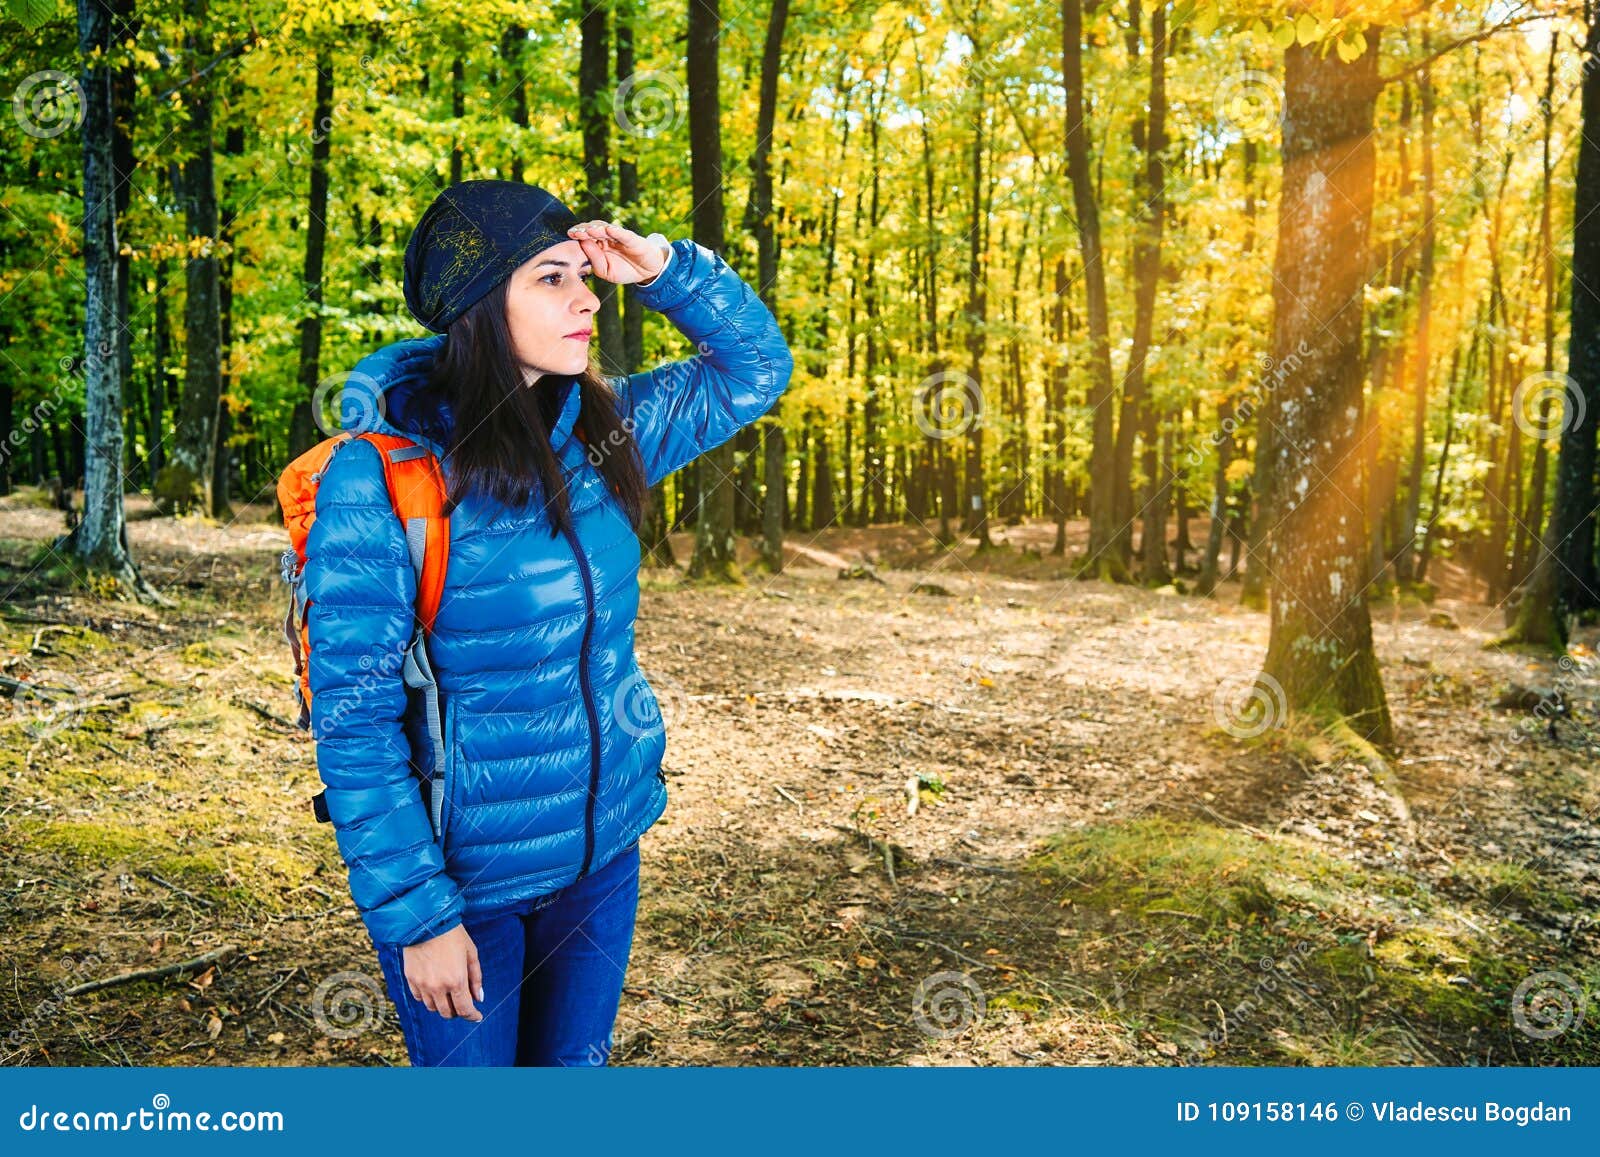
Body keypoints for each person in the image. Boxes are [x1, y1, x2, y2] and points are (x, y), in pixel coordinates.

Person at [302, 179, 793, 1066]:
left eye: (587, 275)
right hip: (466, 888)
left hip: (602, 858)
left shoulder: (610, 433)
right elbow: (353, 718)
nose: (588, 298)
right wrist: (419, 915)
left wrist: (666, 270)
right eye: (551, 278)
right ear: (484, 307)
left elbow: (755, 367)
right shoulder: (382, 479)